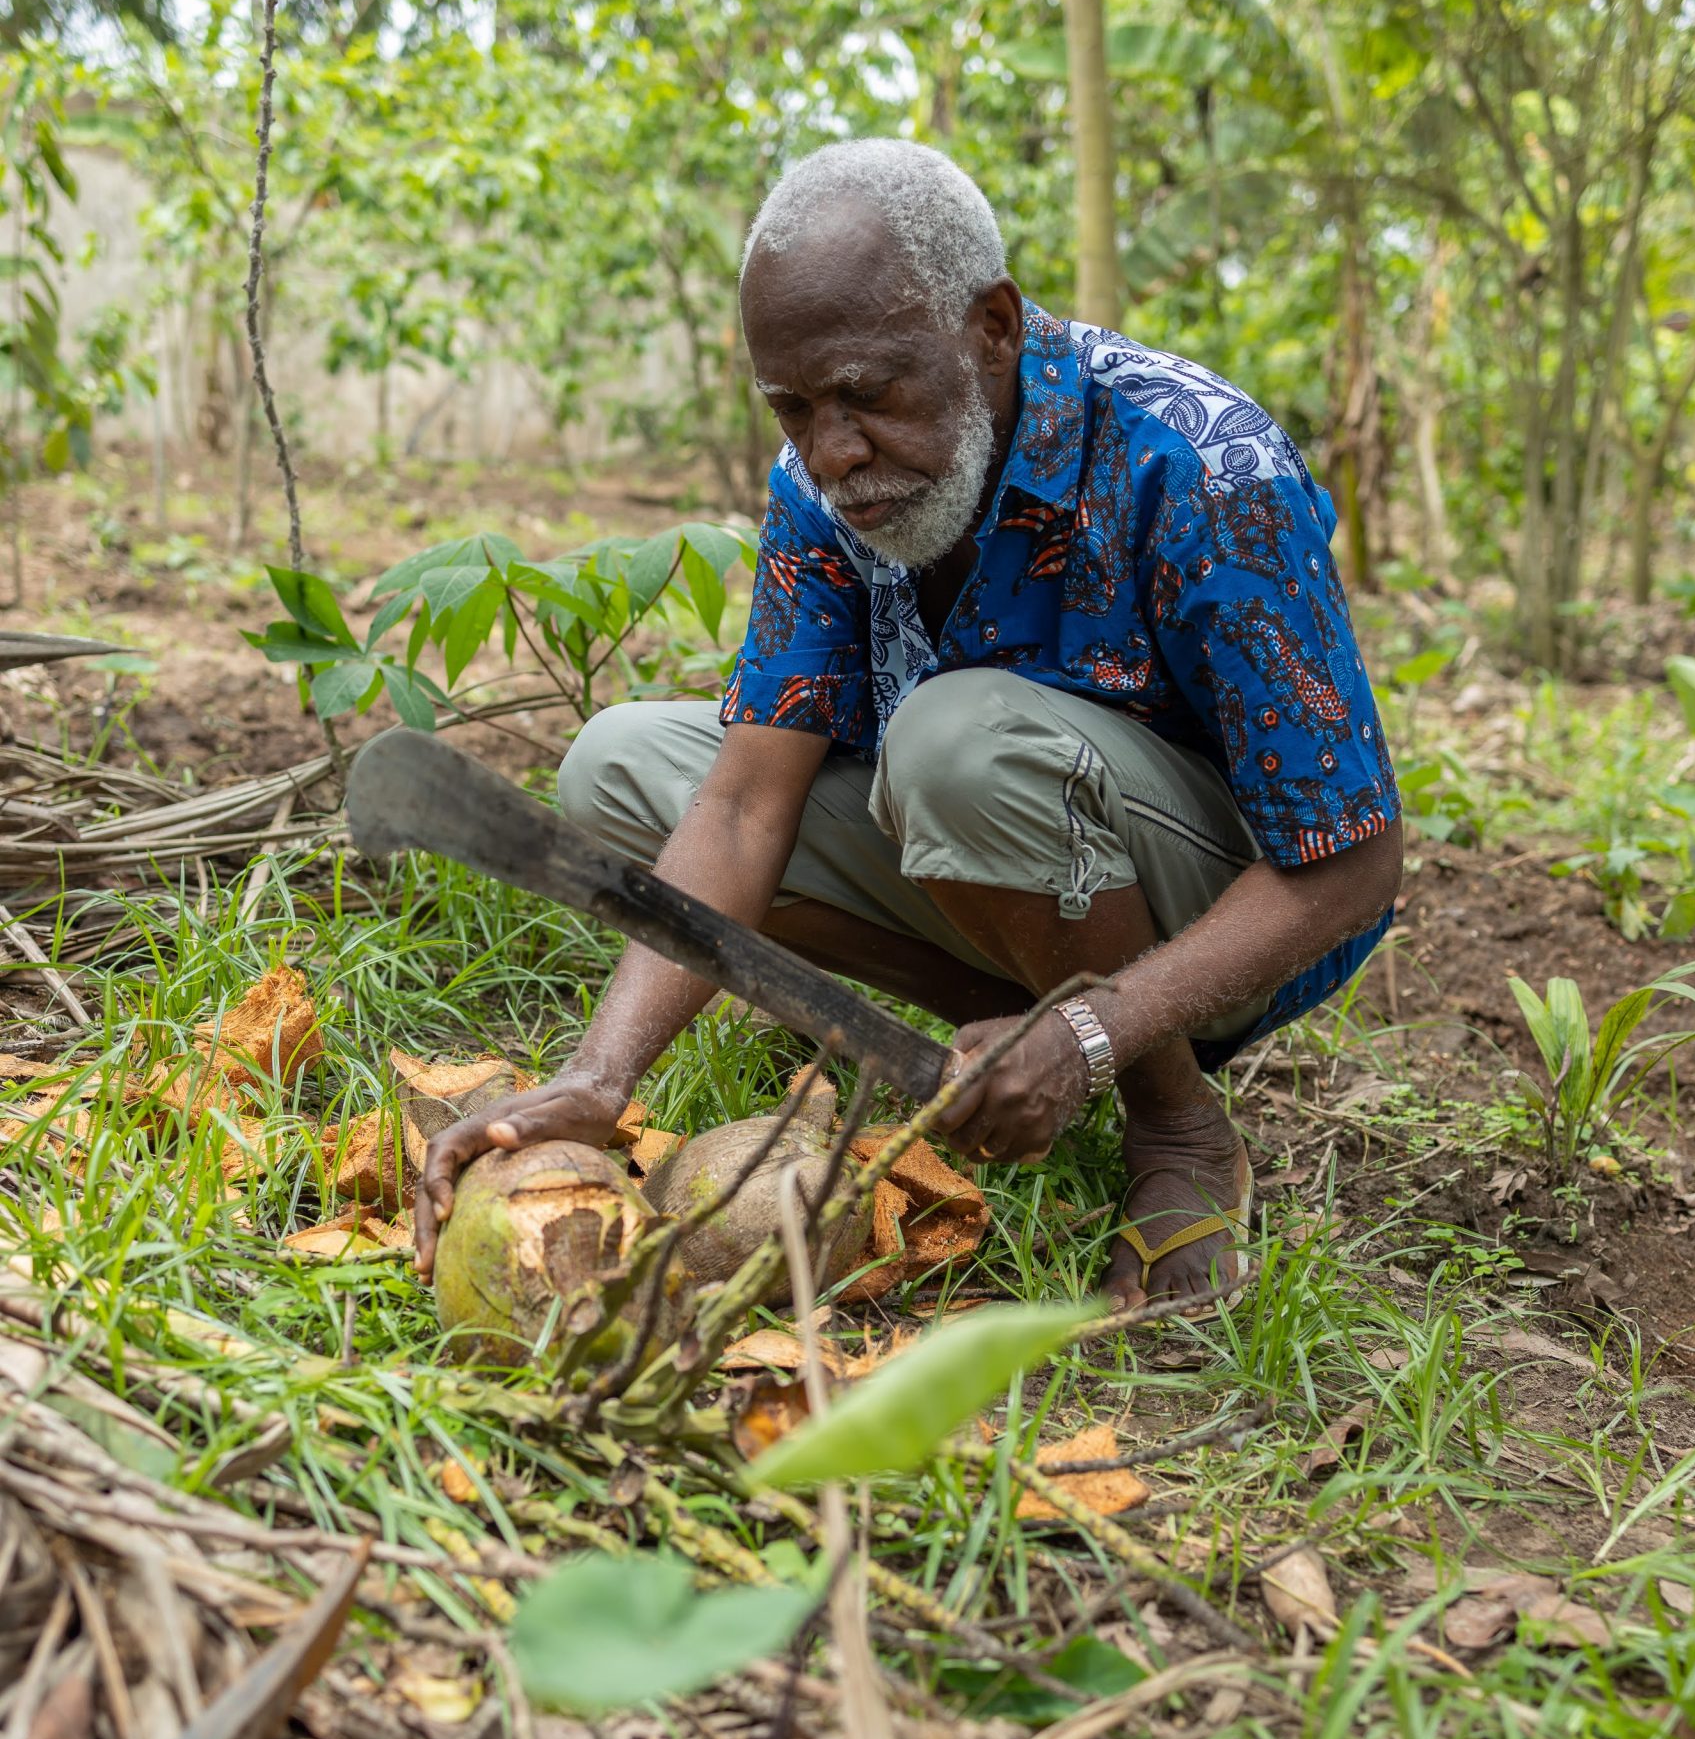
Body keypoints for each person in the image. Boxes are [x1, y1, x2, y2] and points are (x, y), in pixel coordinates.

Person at [414, 140, 1401, 1314]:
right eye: (793, 408)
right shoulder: (819, 488)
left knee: (956, 742)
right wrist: (601, 1074)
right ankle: (980, 1054)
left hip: (1220, 917)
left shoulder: (1199, 466)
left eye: (868, 396)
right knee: (618, 773)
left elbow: (1355, 866)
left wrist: (1099, 1030)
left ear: (990, 328)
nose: (832, 453)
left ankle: (1174, 1118)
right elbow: (740, 805)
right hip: (1002, 854)